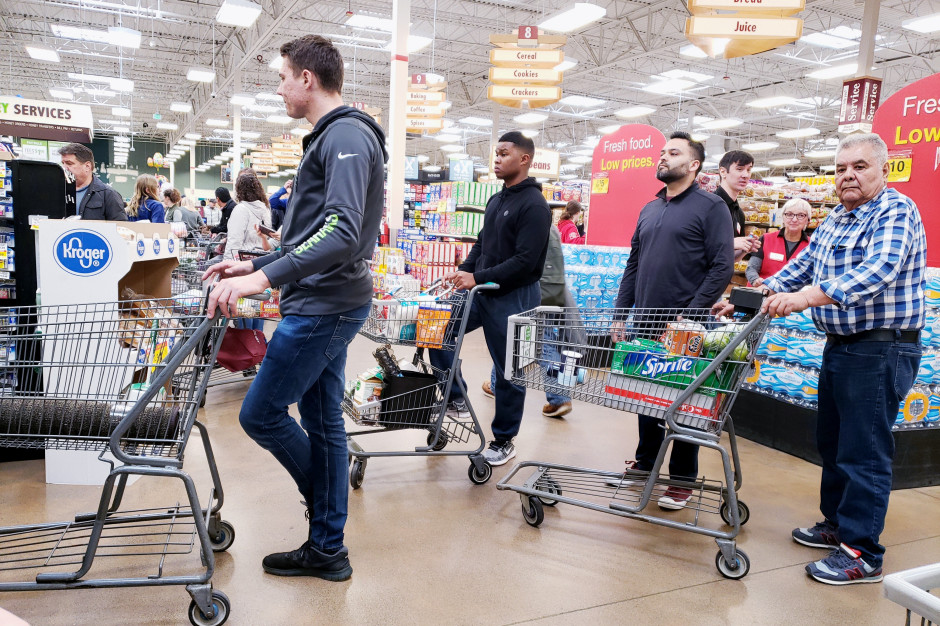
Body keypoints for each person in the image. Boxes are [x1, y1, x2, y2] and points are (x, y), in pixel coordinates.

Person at [202, 34, 387, 582]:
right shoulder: (331, 137)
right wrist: (258, 260)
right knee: (324, 423)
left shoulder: (347, 136)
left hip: (323, 307)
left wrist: (263, 276)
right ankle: (328, 545)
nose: (279, 87)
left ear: (307, 78)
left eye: (283, 76)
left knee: (260, 414)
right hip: (322, 300)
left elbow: (344, 232)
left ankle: (327, 504)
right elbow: (312, 232)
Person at [714, 133, 925, 585]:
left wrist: (807, 298)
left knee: (863, 451)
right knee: (832, 442)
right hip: (842, 347)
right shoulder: (836, 219)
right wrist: (750, 296)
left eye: (860, 166)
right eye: (841, 168)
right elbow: (801, 267)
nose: (848, 175)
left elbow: (878, 271)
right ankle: (837, 527)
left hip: (881, 346)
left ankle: (863, 553)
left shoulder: (896, 210)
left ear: (882, 169)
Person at [609, 131, 733, 510]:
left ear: (694, 165)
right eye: (662, 152)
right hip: (646, 320)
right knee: (647, 396)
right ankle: (646, 463)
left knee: (686, 401)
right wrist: (620, 314)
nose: (663, 157)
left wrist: (690, 315)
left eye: (673, 153)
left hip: (686, 328)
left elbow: (722, 266)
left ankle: (681, 480)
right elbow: (634, 263)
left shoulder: (711, 208)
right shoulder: (650, 208)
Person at [427, 131, 552, 466]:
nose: (496, 159)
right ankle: (455, 397)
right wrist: (463, 271)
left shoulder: (535, 206)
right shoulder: (496, 200)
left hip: (516, 297)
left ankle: (504, 439)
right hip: (481, 293)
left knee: (510, 369)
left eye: (504, 153)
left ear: (524, 159)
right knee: (436, 331)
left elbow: (526, 262)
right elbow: (482, 245)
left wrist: (477, 277)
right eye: (495, 153)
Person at [482, 225, 576, 418]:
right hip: (552, 290)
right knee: (509, 339)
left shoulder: (528, 226)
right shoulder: (552, 229)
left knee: (542, 344)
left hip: (533, 292)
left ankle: (559, 397)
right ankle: (494, 384)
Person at [745, 198, 811, 286]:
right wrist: (755, 280)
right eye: (789, 214)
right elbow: (752, 268)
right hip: (763, 293)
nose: (794, 219)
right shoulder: (766, 239)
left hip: (793, 298)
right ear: (783, 217)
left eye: (801, 215)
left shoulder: (812, 245)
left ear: (808, 220)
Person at [58, 143, 127, 221]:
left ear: (87, 166)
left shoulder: (109, 195)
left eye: (69, 164)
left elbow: (120, 228)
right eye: (62, 163)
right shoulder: (58, 193)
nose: (64, 168)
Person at [715, 150, 761, 261]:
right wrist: (731, 243)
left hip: (723, 277)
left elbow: (731, 258)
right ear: (723, 172)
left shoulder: (738, 213)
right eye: (739, 169)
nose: (745, 175)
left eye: (749, 170)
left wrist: (745, 248)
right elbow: (694, 246)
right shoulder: (709, 205)